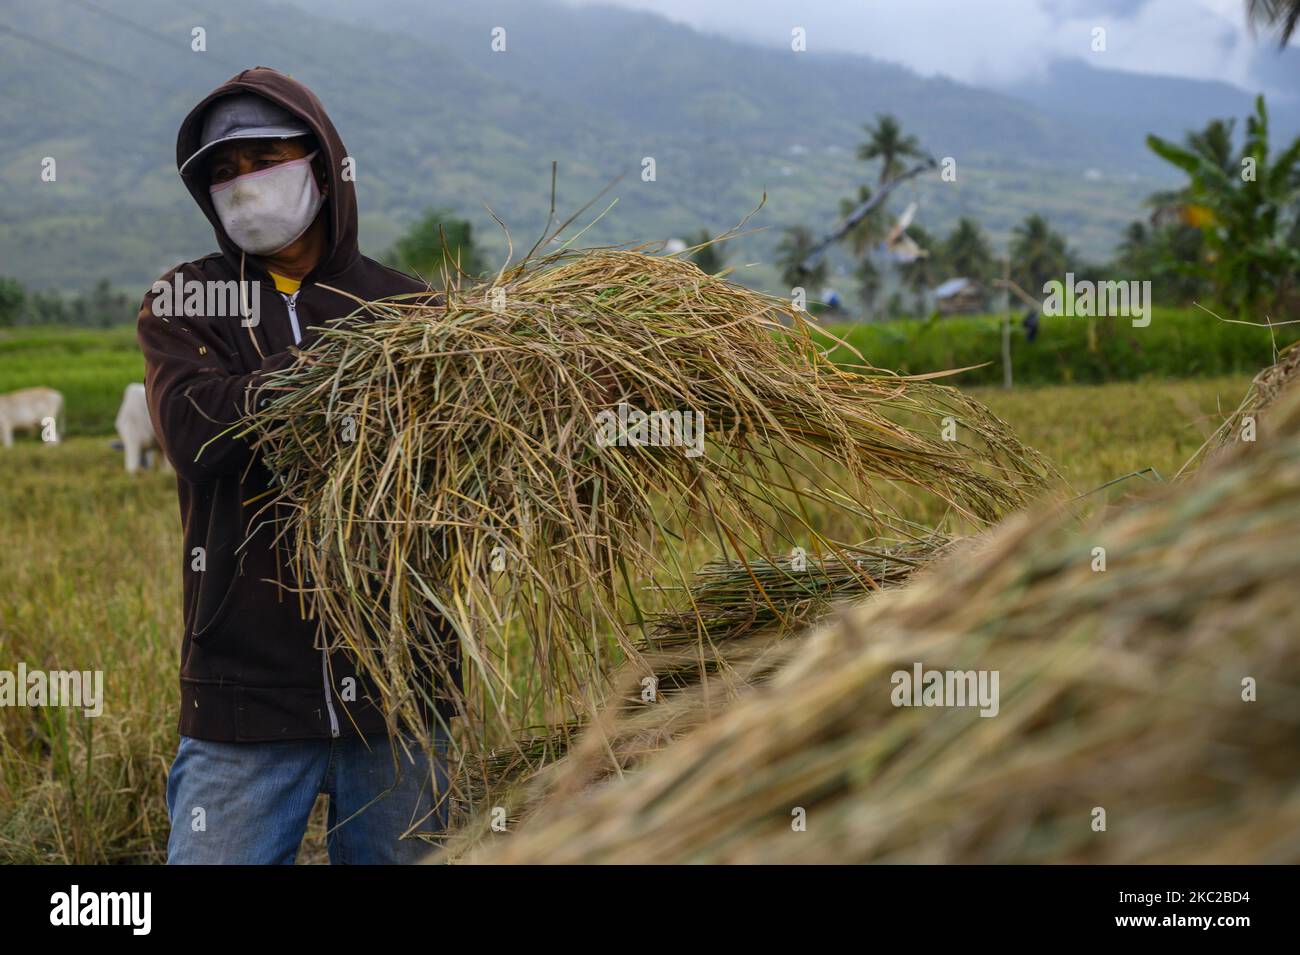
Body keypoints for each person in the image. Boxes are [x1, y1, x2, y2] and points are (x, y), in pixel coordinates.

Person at [138, 67, 457, 864]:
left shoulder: (412, 311)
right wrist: (344, 376)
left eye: (265, 159)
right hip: (243, 696)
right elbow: (193, 431)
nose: (245, 186)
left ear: (319, 166)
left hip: (400, 692)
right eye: (223, 172)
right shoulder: (184, 301)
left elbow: (459, 468)